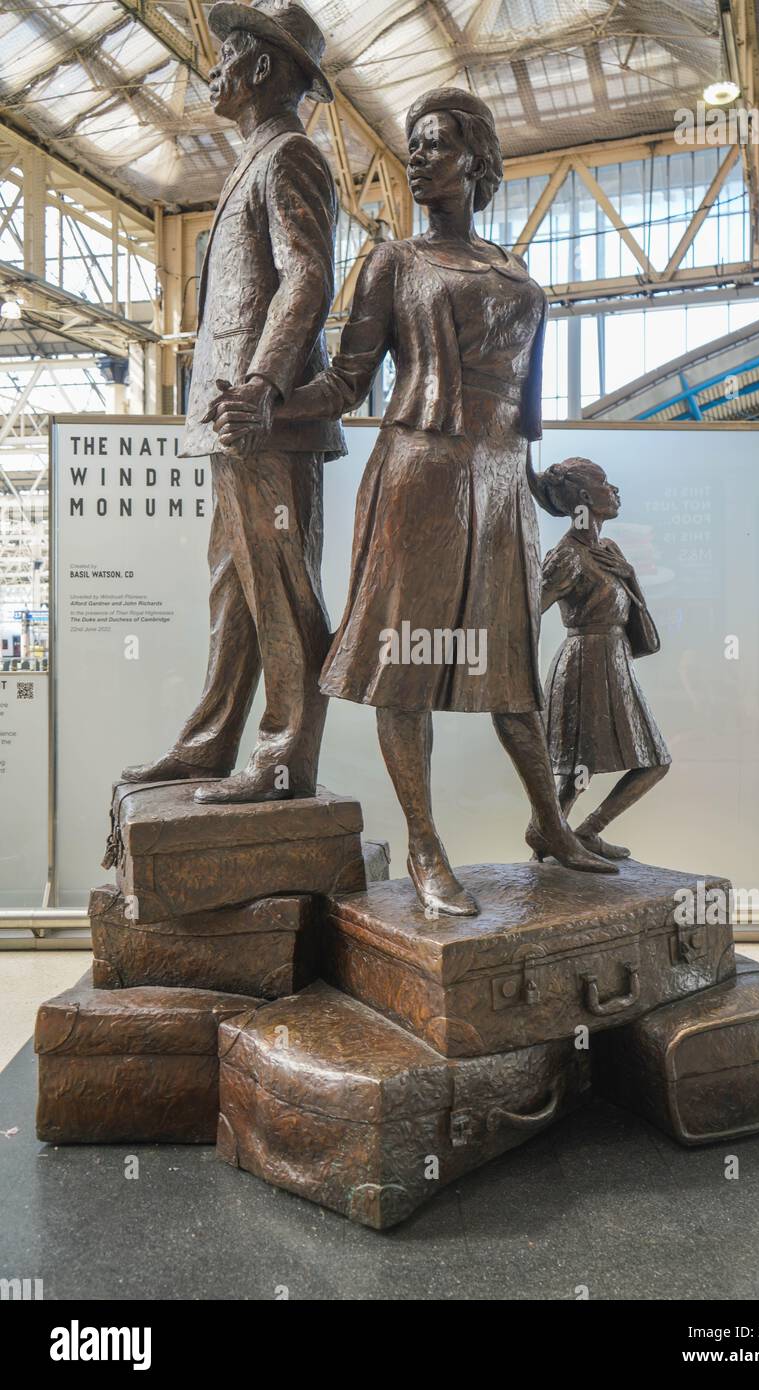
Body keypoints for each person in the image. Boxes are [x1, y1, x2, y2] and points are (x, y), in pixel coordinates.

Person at [212, 86, 616, 914]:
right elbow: (347, 382)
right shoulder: (391, 262)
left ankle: (550, 825)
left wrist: (540, 483)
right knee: (403, 667)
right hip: (416, 479)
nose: (418, 157)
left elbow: (526, 405)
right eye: (414, 145)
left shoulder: (516, 271)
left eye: (435, 144)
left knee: (508, 670)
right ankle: (427, 847)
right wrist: (268, 404)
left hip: (500, 483)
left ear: (476, 159)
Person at [122, 2, 344, 804]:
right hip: (237, 422)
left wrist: (261, 386)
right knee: (237, 588)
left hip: (262, 422)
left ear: (261, 69)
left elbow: (309, 277)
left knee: (279, 589)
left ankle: (284, 761)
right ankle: (211, 742)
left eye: (227, 57)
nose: (213, 72)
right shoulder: (256, 159)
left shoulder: (289, 156)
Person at [529, 458, 671, 859]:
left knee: (629, 763)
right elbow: (528, 613)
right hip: (584, 663)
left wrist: (629, 575)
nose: (616, 490)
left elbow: (633, 619)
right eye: (606, 483)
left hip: (614, 661)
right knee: (581, 766)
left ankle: (572, 833)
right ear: (587, 498)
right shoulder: (568, 555)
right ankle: (553, 834)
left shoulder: (607, 549)